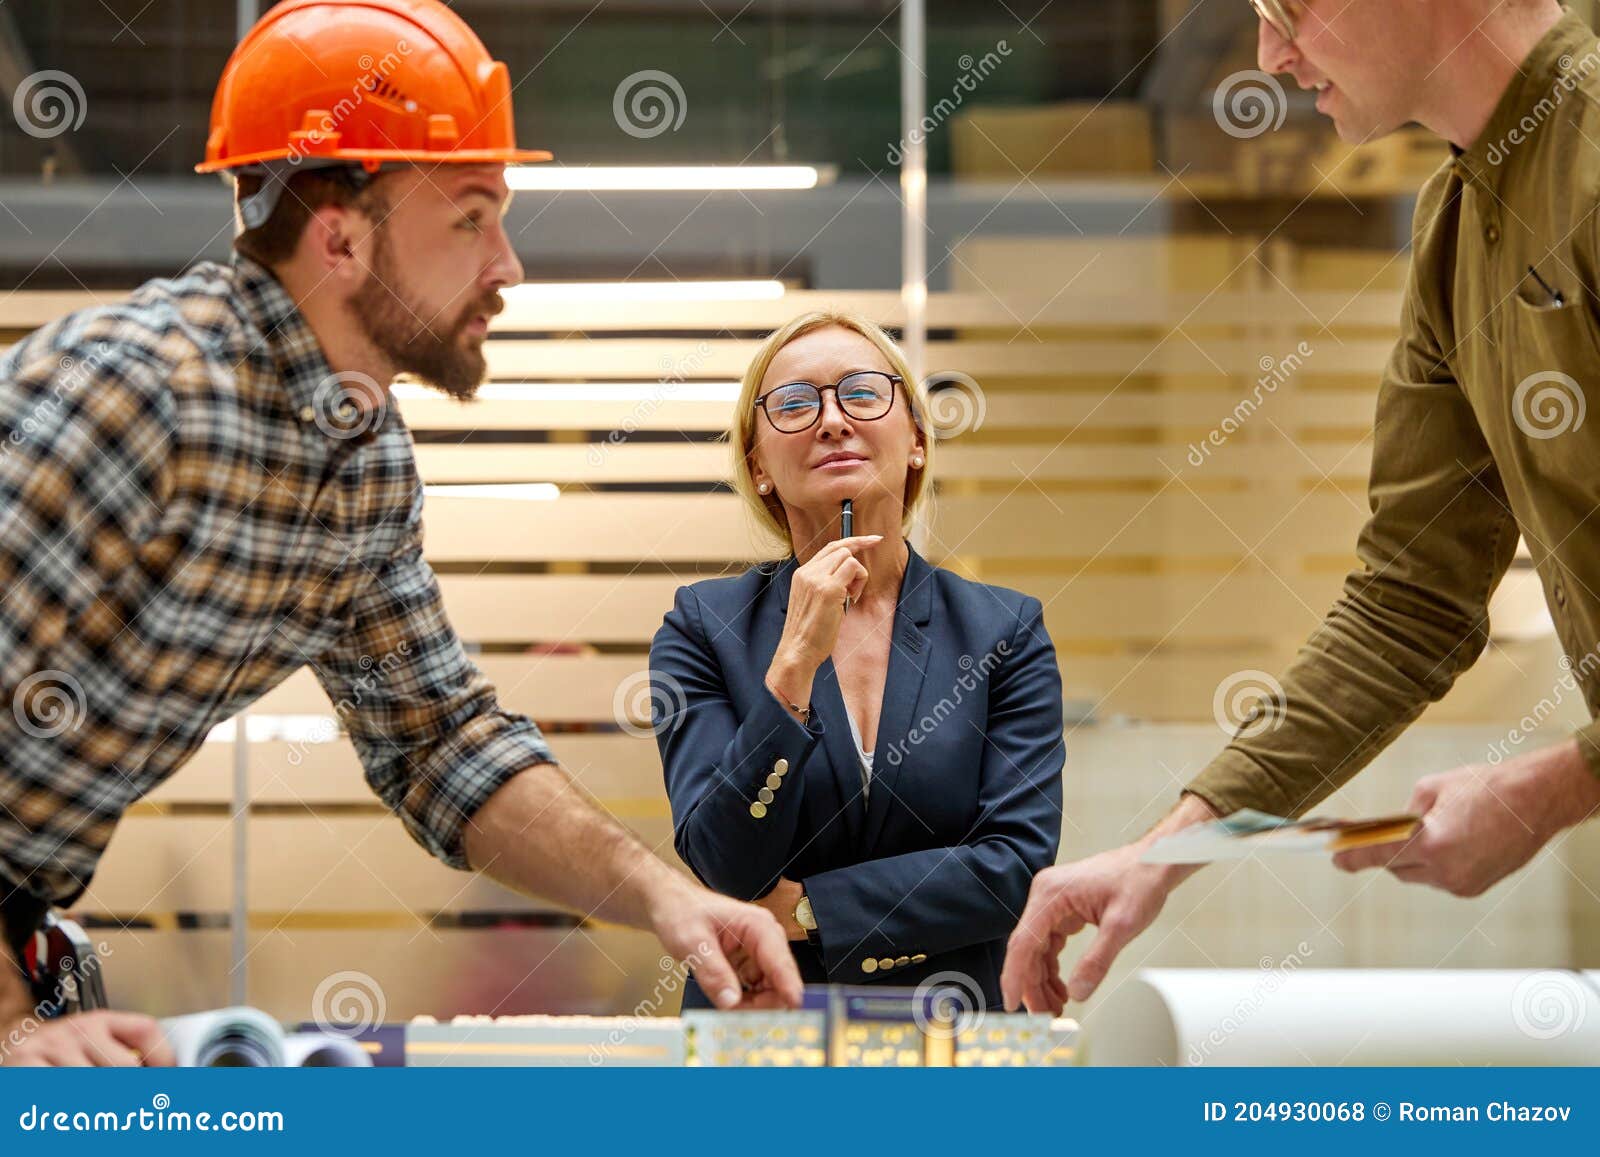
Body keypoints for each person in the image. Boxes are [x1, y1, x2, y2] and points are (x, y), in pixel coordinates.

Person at [0, 0, 800, 1066]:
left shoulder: (360, 463)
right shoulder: (136, 392)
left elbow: (442, 745)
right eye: (472, 216)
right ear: (340, 234)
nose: (507, 264)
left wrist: (666, 896)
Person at [1003, 0, 1600, 1016]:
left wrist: (1557, 783)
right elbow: (1406, 602)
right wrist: (1169, 847)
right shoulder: (1455, 231)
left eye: (1290, 9)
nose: (1272, 54)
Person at [650, 312, 1065, 1008]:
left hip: (953, 1024)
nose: (833, 420)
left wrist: (811, 908)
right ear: (758, 465)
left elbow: (1012, 866)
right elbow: (725, 862)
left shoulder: (1004, 630)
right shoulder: (703, 626)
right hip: (761, 1027)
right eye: (794, 404)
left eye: (864, 394)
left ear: (916, 442)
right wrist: (790, 674)